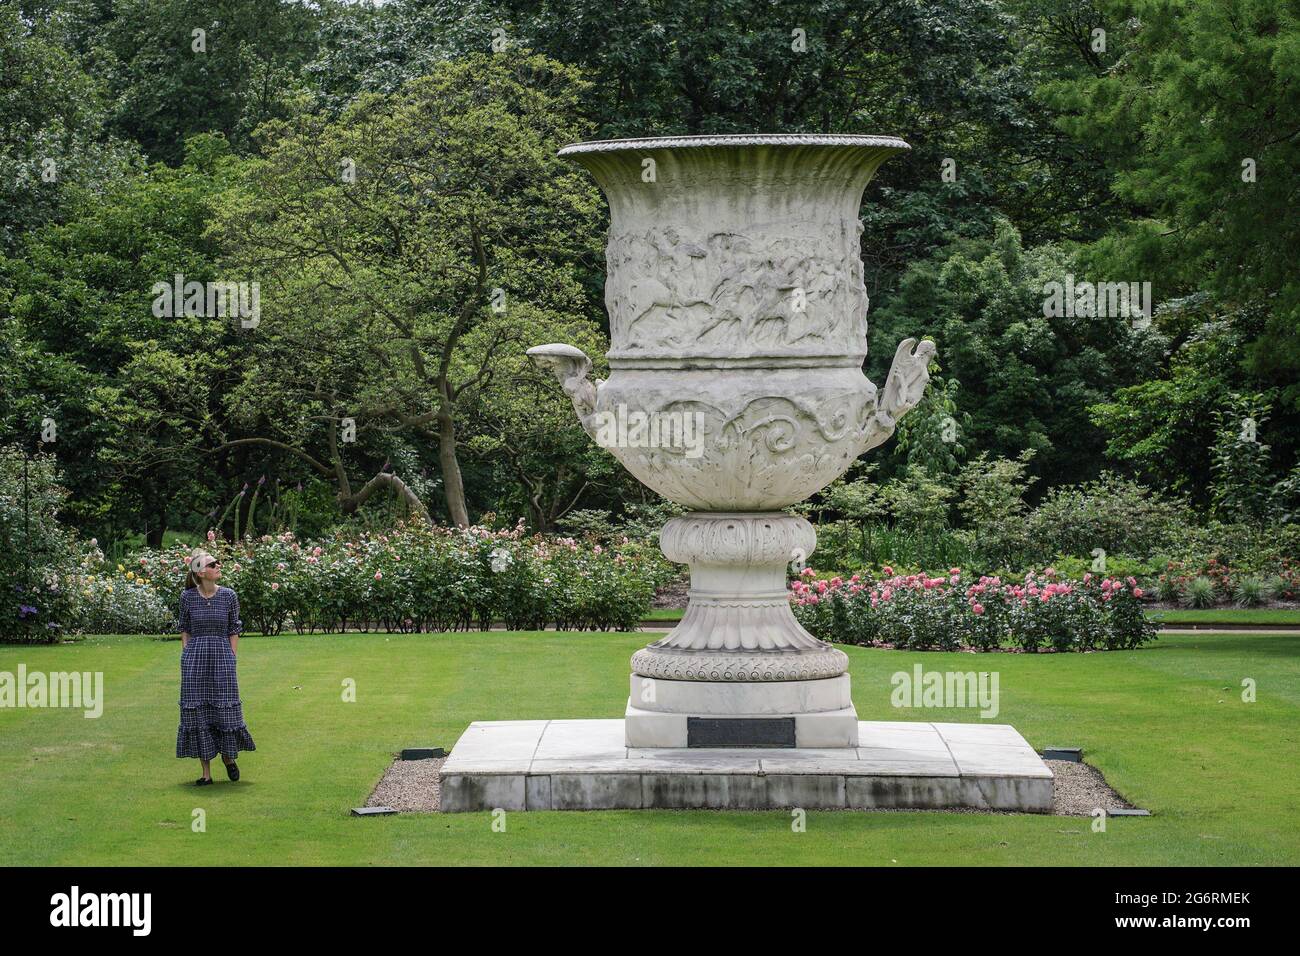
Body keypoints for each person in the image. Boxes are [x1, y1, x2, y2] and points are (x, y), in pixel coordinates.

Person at [176, 552, 255, 785]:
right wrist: (186, 653)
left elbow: (234, 628)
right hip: (195, 658)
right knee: (198, 710)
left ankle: (229, 758)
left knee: (224, 708)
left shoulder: (229, 596)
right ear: (201, 572)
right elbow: (185, 627)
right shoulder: (187, 597)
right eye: (212, 564)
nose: (218, 565)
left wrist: (232, 656)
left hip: (222, 656)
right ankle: (206, 774)